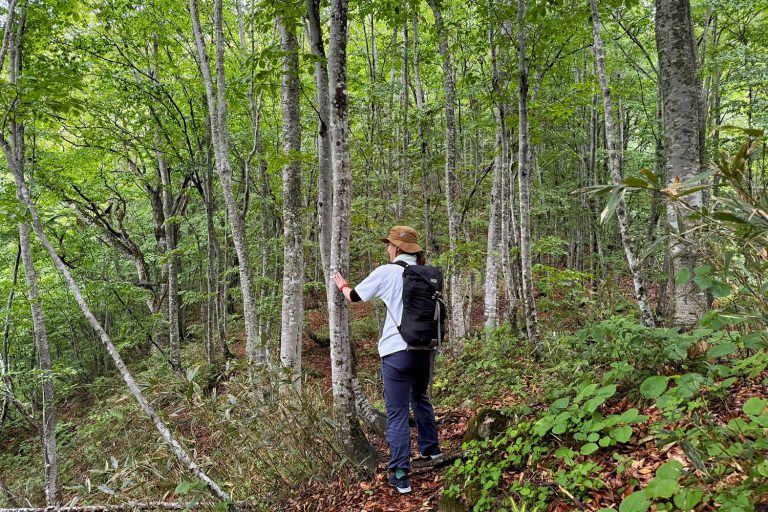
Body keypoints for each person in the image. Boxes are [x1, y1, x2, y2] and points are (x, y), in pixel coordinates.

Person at [334, 226, 442, 495]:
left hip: (396, 352)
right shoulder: (429, 274)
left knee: (396, 411)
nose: (387, 249)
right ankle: (431, 451)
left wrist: (342, 285)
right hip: (425, 350)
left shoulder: (387, 271)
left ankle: (400, 474)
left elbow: (355, 296)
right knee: (420, 397)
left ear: (396, 249)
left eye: (389, 245)